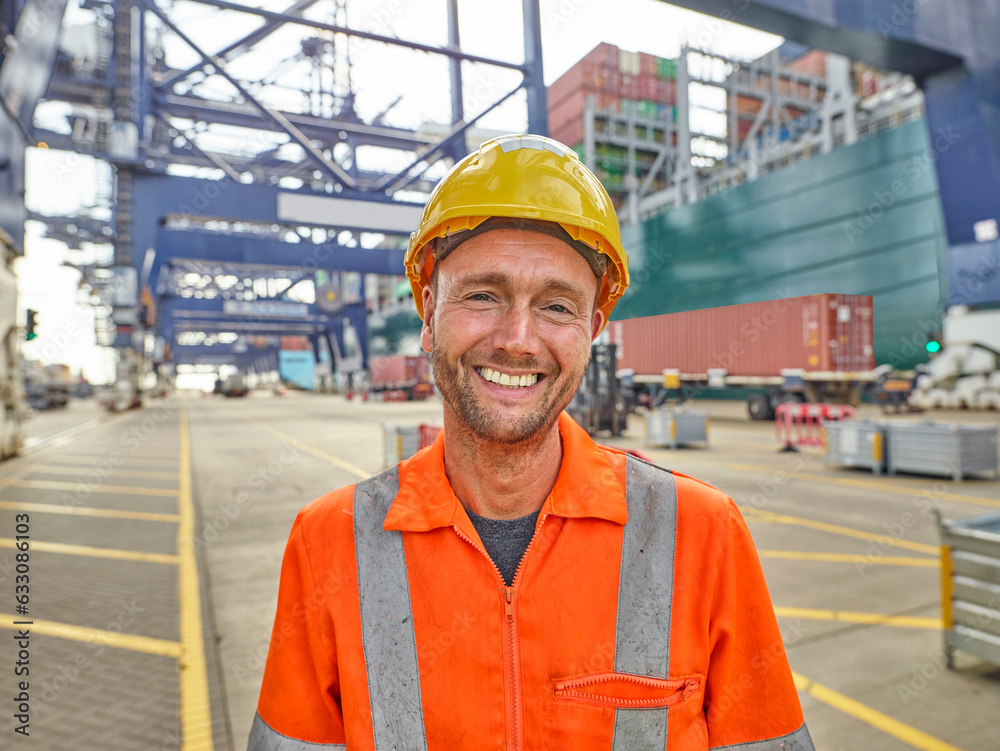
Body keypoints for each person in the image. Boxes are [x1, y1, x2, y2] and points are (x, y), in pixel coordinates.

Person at [248, 134, 814, 750]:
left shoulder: (703, 534)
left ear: (592, 329)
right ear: (428, 309)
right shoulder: (329, 543)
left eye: (556, 306)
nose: (518, 340)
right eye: (484, 295)